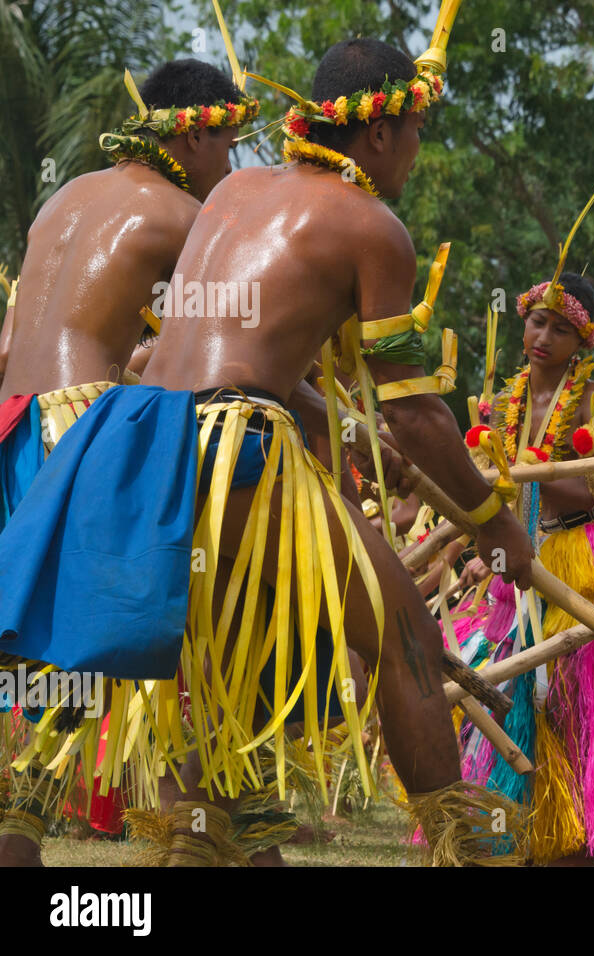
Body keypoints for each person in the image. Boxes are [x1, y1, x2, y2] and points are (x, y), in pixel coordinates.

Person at [0, 22, 533, 865]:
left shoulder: (230, 198)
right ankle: (470, 854)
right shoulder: (371, 226)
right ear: (381, 129)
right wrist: (491, 518)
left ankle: (203, 847)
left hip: (139, 446)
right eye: (420, 133)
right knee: (405, 638)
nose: (418, 155)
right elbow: (418, 413)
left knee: (203, 675)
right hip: (236, 445)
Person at [0, 54, 257, 868]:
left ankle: (26, 841)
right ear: (193, 130)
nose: (233, 165)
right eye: (227, 143)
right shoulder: (184, 215)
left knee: (45, 670)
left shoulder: (61, 199)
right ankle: (212, 833)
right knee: (183, 639)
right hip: (83, 433)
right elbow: (233, 341)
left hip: (11, 428)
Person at [454, 184, 594, 863]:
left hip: (585, 560)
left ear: (584, 340)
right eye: (536, 323)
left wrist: (517, 467)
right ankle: (522, 830)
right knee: (514, 692)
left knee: (580, 702)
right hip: (518, 562)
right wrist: (475, 540)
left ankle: (585, 834)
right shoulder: (504, 400)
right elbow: (485, 496)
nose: (542, 338)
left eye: (560, 329)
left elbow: (588, 484)